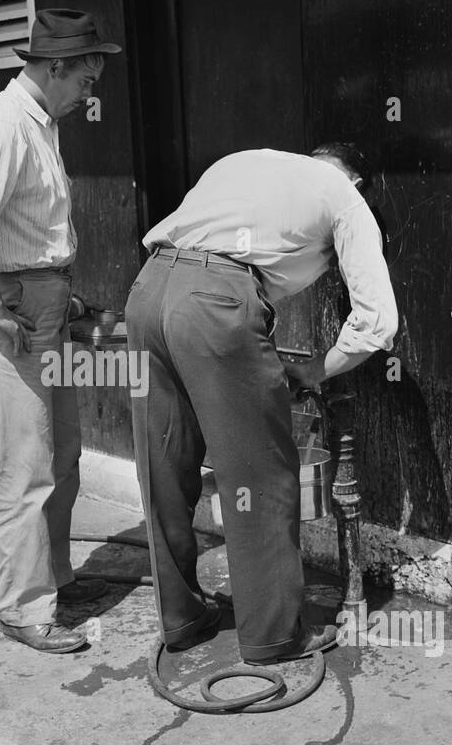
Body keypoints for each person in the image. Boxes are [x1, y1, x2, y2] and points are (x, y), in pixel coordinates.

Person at [125, 143, 399, 665]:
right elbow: (377, 320)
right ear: (356, 182)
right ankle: (273, 635)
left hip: (148, 290)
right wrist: (319, 368)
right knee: (262, 472)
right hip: (215, 305)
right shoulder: (346, 198)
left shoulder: (245, 161)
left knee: (164, 461)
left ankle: (181, 620)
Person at [0, 8, 121, 653]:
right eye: (85, 78)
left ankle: (53, 579)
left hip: (44, 302)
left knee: (61, 456)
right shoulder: (3, 124)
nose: (90, 92)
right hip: (12, 310)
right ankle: (22, 609)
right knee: (23, 466)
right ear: (54, 67)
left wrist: (67, 303)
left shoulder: (41, 124)